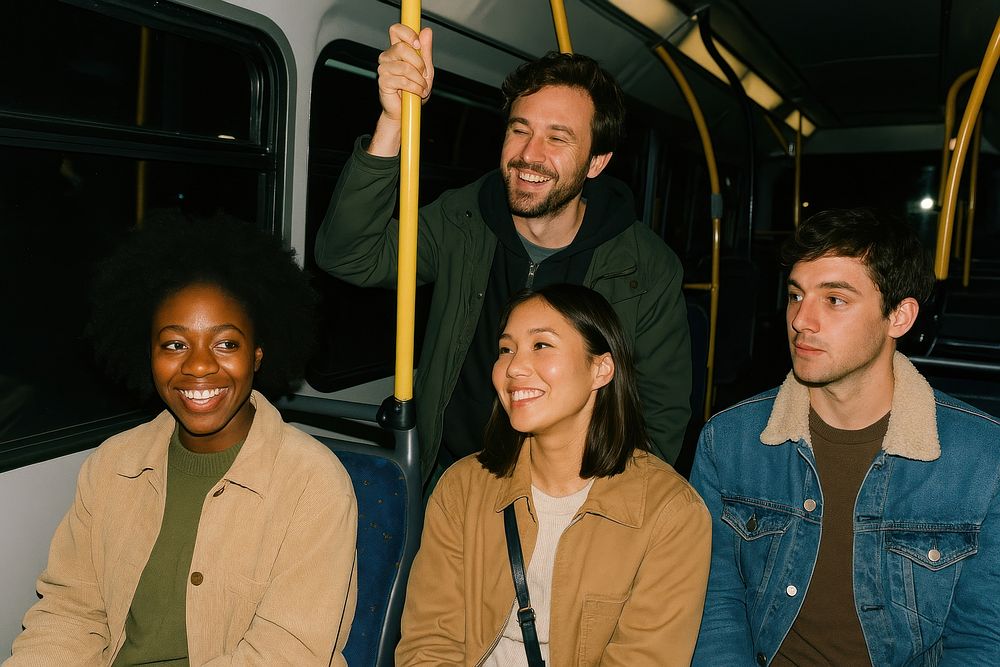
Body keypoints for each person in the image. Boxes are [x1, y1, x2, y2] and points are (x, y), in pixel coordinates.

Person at [314, 24, 692, 481]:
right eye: (520, 129)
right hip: (451, 474)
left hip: (572, 494)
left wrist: (600, 508)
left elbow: (659, 415)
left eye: (557, 137)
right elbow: (347, 254)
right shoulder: (462, 219)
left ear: (597, 162)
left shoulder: (645, 266)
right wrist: (393, 121)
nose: (530, 154)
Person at [5, 212, 357, 666]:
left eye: (226, 344)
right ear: (147, 353)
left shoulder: (312, 482)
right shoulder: (113, 465)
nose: (198, 366)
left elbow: (285, 653)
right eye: (174, 345)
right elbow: (70, 612)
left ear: (258, 355)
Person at [690, 208, 1000, 665]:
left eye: (834, 299)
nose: (801, 321)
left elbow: (982, 637)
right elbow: (715, 605)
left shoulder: (980, 457)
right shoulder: (731, 440)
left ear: (899, 316)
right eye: (796, 295)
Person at [395, 283, 710, 665]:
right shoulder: (463, 487)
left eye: (540, 346)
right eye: (506, 349)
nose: (513, 367)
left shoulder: (670, 513)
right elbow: (429, 643)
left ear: (601, 369)